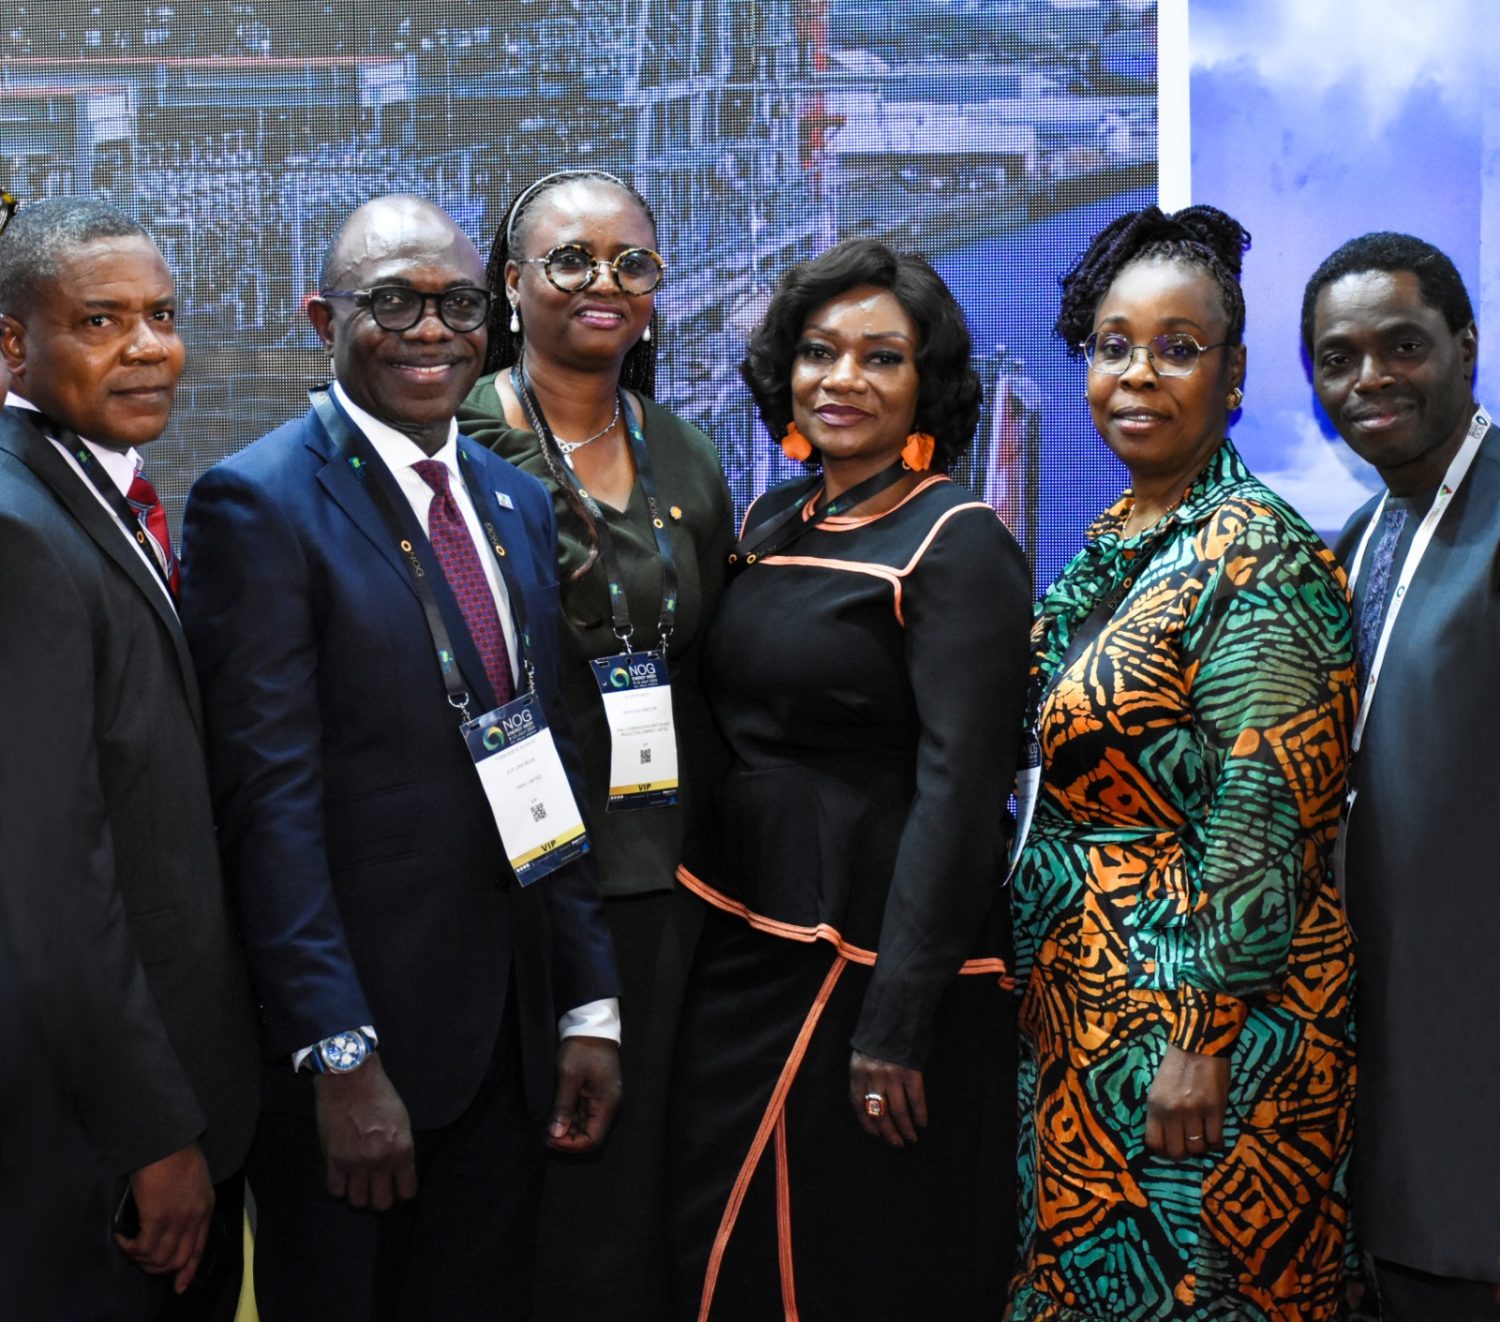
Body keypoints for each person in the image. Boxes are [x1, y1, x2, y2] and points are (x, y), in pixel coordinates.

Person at [178, 195, 621, 1321]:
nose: (431, 331)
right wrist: (337, 1052)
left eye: (458, 304)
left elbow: (545, 762)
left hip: (510, 1042)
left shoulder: (516, 502)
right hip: (358, 1057)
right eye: (393, 302)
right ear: (322, 317)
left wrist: (586, 1006)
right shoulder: (258, 503)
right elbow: (268, 807)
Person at [667, 237, 1032, 1320]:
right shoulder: (772, 518)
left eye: (882, 358)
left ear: (926, 382)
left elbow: (962, 791)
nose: (843, 379)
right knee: (714, 1249)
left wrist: (897, 1018)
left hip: (865, 963)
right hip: (744, 939)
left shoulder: (958, 540)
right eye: (820, 351)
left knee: (841, 1263)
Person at [1008, 205, 1358, 1321]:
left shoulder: (1258, 553)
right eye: (1113, 346)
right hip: (1089, 1026)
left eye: (1177, 348)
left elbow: (1268, 820)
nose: (1137, 375)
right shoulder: (1123, 536)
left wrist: (1202, 1039)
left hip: (1204, 1048)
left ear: (1234, 372)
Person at [457, 169, 734, 1320]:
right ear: (511, 283)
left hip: (662, 881)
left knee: (630, 1201)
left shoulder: (686, 452)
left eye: (633, 261)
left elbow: (709, 663)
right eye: (570, 258)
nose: (603, 281)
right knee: (510, 1205)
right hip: (503, 884)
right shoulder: (460, 442)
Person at [0, 197, 259, 1320]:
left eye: (162, 314)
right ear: (13, 344)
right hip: (100, 1144)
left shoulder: (93, 490)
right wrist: (153, 1136)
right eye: (100, 320)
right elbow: (53, 880)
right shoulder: (17, 527)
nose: (149, 346)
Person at [1304, 232, 1500, 1321]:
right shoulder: (1361, 535)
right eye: (1339, 359)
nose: (1370, 378)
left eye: (1403, 345)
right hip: (1392, 1055)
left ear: (1465, 346)